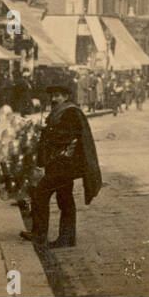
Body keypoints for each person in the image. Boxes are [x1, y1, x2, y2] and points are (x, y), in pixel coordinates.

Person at [21, 85, 102, 248]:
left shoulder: (71, 112)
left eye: (57, 95)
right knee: (64, 199)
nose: (53, 99)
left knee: (40, 194)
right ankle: (66, 238)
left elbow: (65, 137)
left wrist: (45, 132)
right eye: (52, 95)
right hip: (61, 164)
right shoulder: (62, 111)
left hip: (64, 164)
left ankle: (40, 234)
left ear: (65, 96)